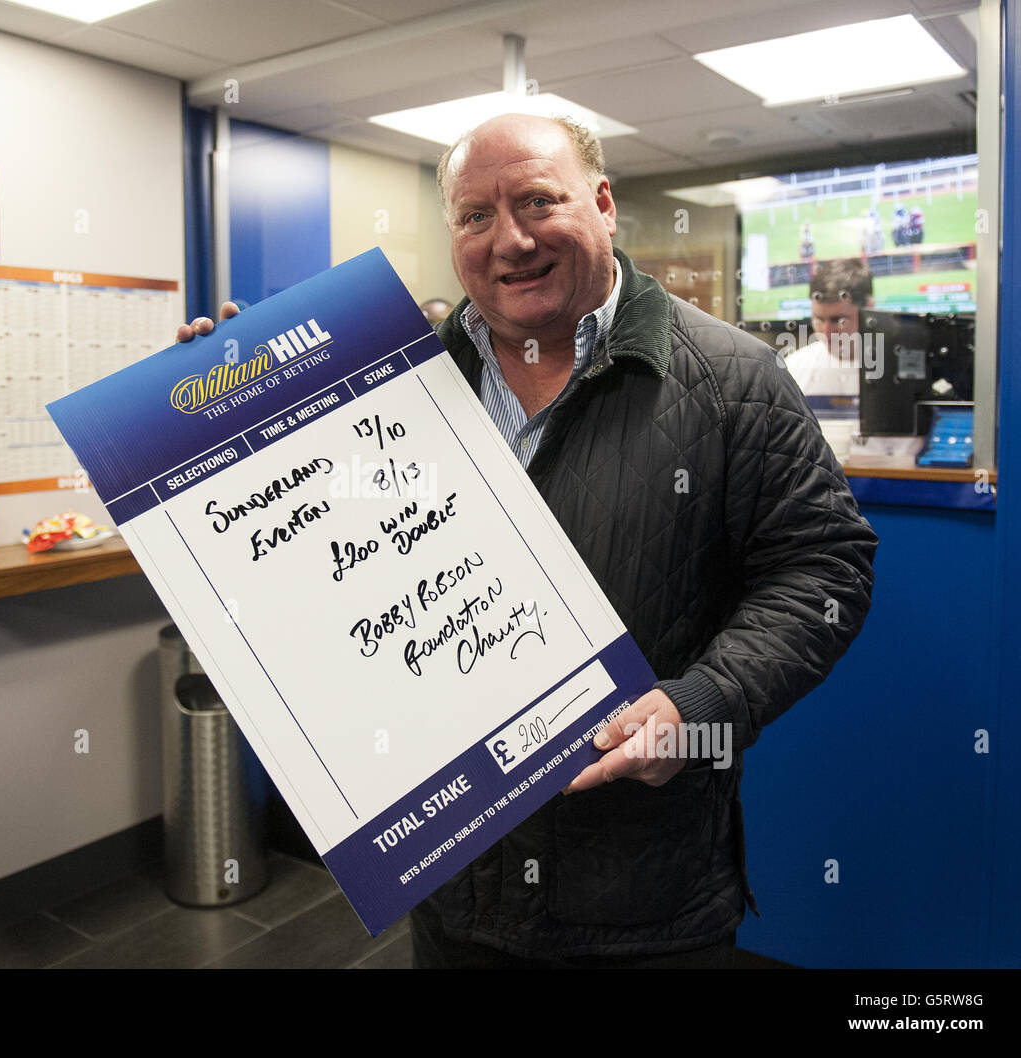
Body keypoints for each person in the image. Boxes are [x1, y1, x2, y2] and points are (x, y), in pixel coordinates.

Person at [179, 113, 877, 969]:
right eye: (475, 216)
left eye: (538, 201)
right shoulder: (395, 391)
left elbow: (824, 568)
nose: (509, 240)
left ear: (604, 204)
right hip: (453, 886)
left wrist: (703, 704)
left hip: (647, 902)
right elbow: (315, 554)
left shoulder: (733, 378)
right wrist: (209, 409)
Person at [784, 258, 871, 462]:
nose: (827, 332)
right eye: (819, 319)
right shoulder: (793, 368)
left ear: (869, 308)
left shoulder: (900, 368)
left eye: (838, 320)